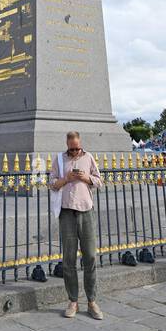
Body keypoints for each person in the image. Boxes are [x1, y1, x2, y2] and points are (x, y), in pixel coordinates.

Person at [47, 130, 104, 320]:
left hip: (86, 211)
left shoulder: (89, 158)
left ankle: (92, 301)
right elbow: (51, 182)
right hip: (67, 213)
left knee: (90, 257)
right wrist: (67, 179)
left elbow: (99, 181)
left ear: (80, 144)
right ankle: (73, 300)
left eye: (77, 148)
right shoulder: (59, 159)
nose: (75, 151)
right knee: (68, 260)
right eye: (72, 148)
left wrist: (85, 178)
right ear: (67, 144)